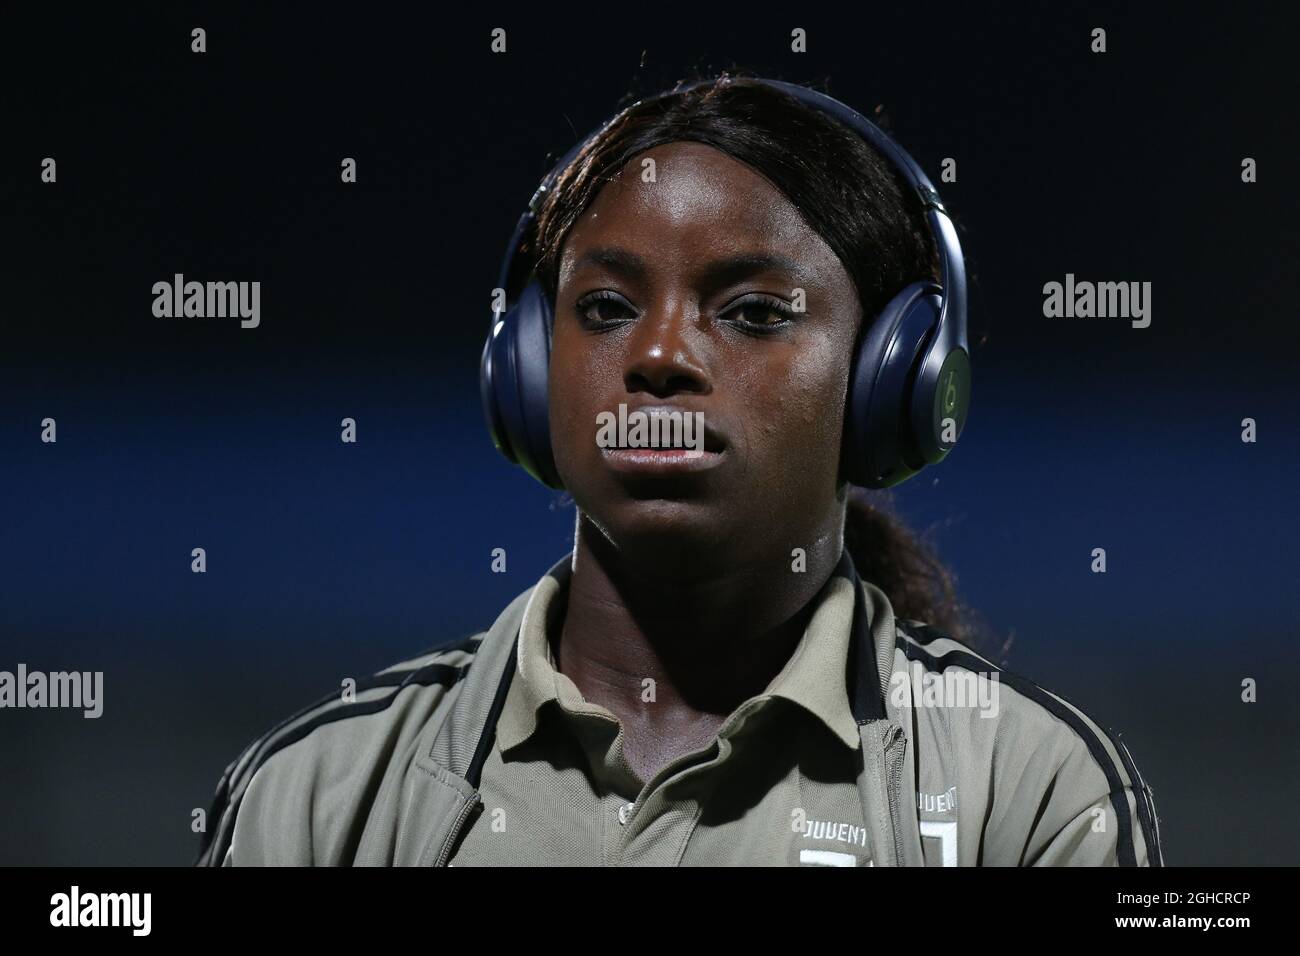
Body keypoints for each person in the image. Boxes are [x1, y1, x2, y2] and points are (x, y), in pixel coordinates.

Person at [196, 73, 1162, 866]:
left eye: (752, 312)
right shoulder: (317, 798)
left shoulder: (1034, 794)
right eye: (607, 308)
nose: (658, 355)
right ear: (528, 372)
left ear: (889, 384)